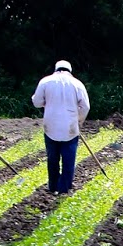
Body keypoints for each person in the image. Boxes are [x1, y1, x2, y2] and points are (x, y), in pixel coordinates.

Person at [31, 59, 90, 194]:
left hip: (50, 125)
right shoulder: (77, 83)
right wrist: (78, 120)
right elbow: (85, 106)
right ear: (70, 70)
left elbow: (36, 102)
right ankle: (64, 187)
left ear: (56, 69)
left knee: (52, 158)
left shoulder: (45, 81)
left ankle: (53, 186)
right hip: (70, 127)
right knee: (68, 160)